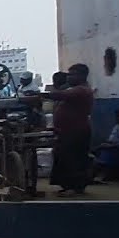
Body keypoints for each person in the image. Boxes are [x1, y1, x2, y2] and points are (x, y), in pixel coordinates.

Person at [40, 63, 94, 196]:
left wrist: (42, 95)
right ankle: (68, 186)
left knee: (73, 159)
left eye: (72, 75)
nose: (68, 77)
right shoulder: (73, 89)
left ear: (82, 76)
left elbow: (58, 95)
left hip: (76, 131)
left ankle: (74, 188)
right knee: (64, 158)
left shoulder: (82, 90)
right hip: (67, 131)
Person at [93, 107, 119, 182]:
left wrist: (107, 146)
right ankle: (97, 175)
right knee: (102, 151)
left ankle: (104, 174)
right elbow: (111, 140)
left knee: (108, 152)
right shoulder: (118, 126)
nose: (116, 118)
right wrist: (104, 144)